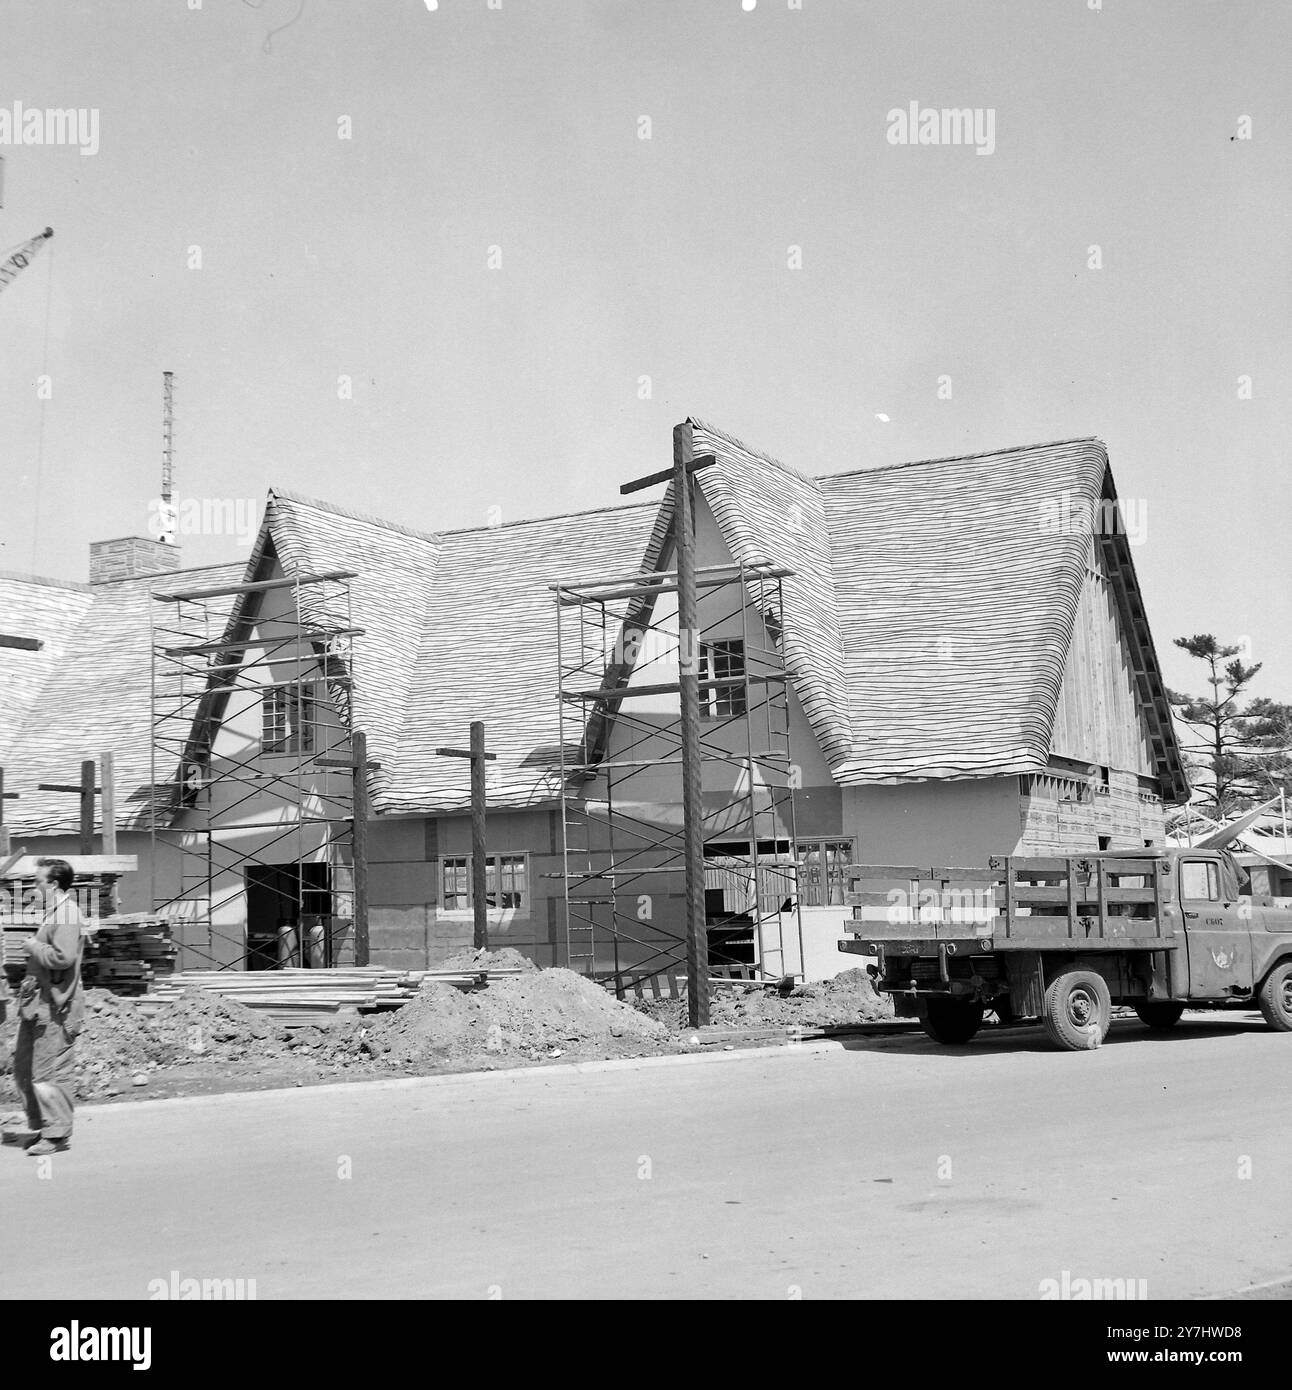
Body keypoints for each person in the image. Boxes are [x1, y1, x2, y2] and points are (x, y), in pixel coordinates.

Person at [4, 859, 85, 1156]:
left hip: (56, 1007)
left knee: (48, 1072)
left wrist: (32, 947)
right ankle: (41, 1126)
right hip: (38, 1004)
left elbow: (63, 958)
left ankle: (56, 1135)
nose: (34, 886)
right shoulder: (54, 913)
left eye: (38, 881)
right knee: (25, 1069)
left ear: (53, 884)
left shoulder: (67, 914)